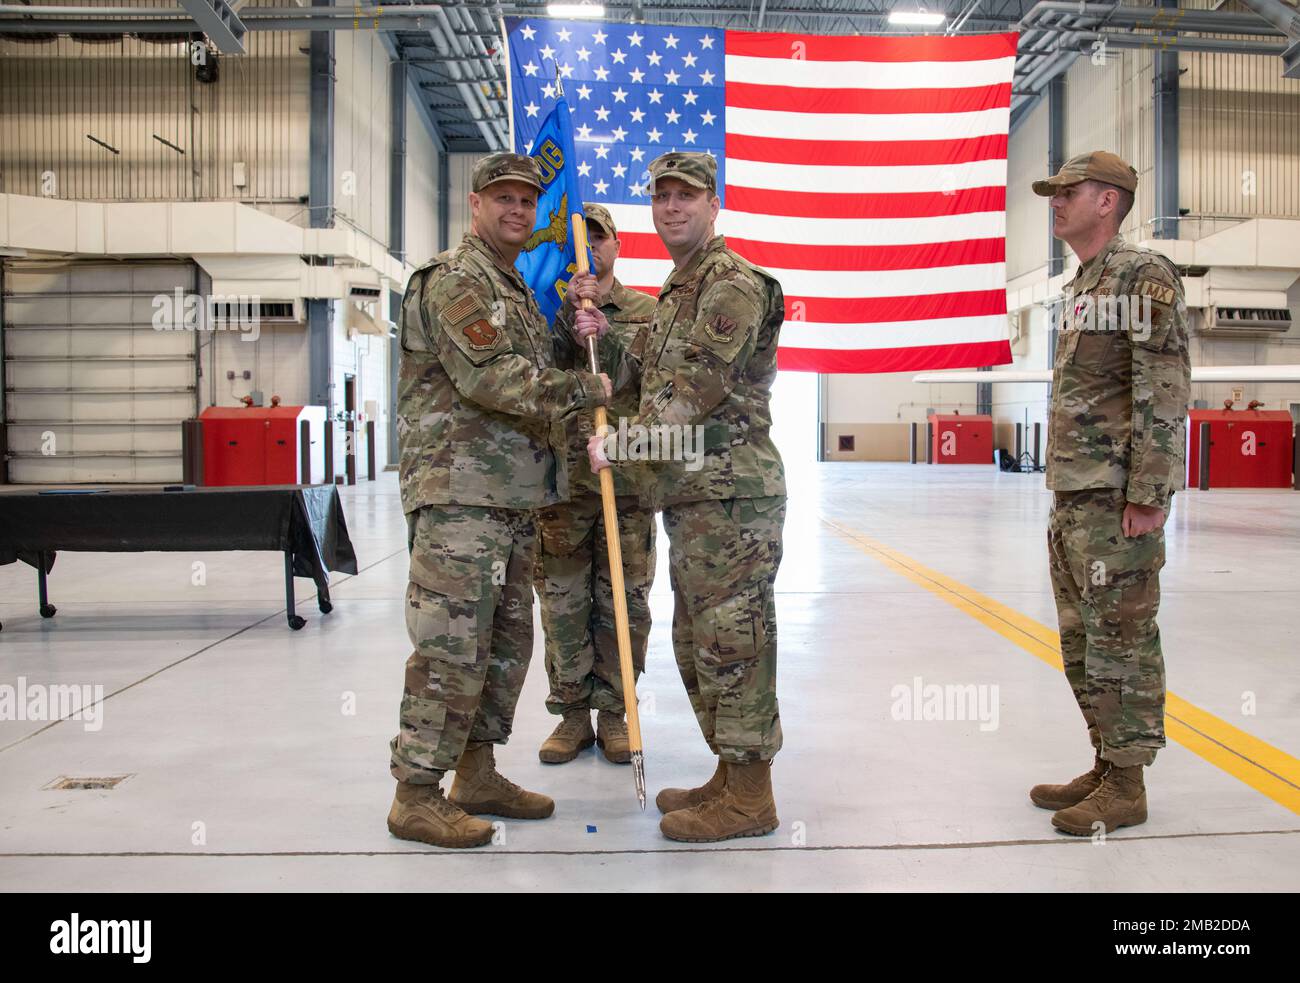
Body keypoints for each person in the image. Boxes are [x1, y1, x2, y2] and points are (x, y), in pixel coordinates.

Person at [386, 152, 612, 849]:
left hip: (510, 499)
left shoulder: (512, 287)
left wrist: (581, 341)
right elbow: (492, 379)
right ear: (476, 204)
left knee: (503, 646)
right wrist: (585, 390)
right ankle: (415, 792)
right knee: (451, 648)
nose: (517, 210)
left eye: (527, 201)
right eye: (503, 198)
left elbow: (540, 368)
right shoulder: (454, 279)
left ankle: (476, 772)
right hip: (459, 497)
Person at [587, 152, 787, 843]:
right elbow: (643, 377)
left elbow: (691, 394)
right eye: (661, 196)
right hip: (695, 499)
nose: (672, 207)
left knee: (735, 642)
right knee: (698, 640)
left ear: (713, 203)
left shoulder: (729, 283)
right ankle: (730, 776)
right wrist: (597, 329)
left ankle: (752, 796)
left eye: (687, 195)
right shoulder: (677, 290)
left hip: (733, 496)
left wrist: (621, 446)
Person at [1028, 151, 1191, 835]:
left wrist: (1151, 491)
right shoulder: (1083, 283)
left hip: (1116, 498)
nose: (1056, 202)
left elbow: (1165, 385)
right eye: (1054, 192)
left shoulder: (1141, 276)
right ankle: (1106, 759)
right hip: (1074, 496)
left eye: (1070, 192)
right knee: (1082, 641)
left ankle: (1128, 783)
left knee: (1122, 637)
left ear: (1108, 201)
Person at [536, 203, 658, 766]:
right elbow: (532, 376)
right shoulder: (545, 310)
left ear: (617, 245)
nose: (590, 247)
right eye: (578, 238)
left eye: (599, 237)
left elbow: (659, 386)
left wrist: (606, 338)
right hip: (560, 484)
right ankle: (571, 715)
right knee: (561, 602)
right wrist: (565, 319)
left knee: (623, 602)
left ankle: (615, 712)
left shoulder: (647, 312)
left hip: (624, 481)